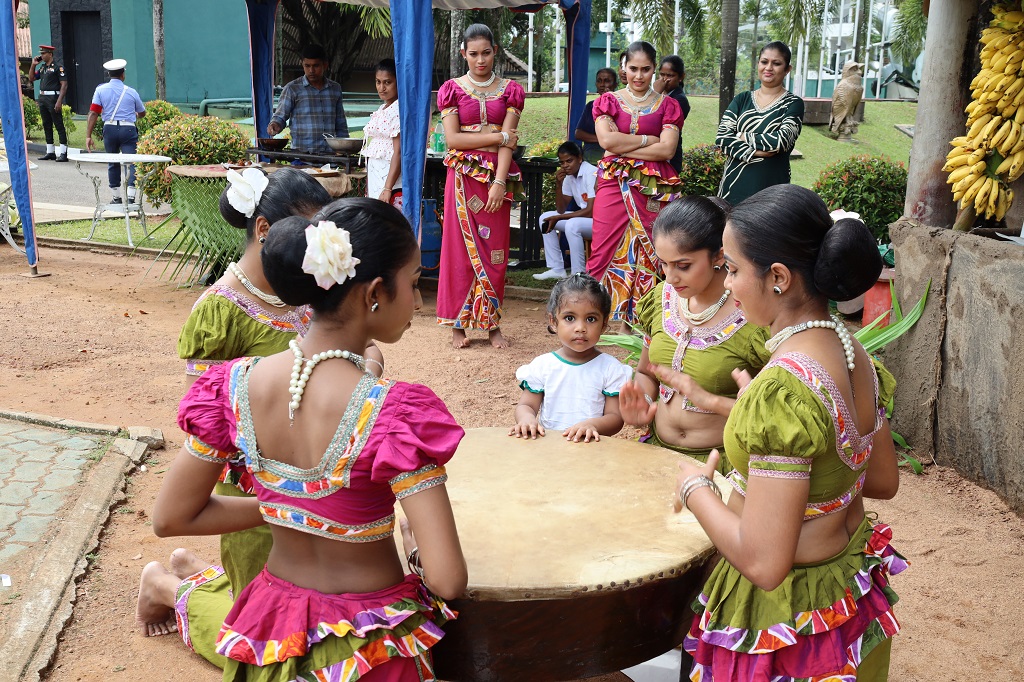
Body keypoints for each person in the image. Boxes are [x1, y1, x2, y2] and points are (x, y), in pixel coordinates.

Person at [135, 198, 468, 680]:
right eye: (414, 283)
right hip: (369, 644)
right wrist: (412, 542)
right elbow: (447, 580)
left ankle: (179, 585)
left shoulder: (232, 387)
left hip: (273, 629)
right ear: (374, 292)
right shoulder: (397, 413)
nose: (417, 302)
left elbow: (171, 516)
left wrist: (290, 505)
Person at [647, 184, 906, 680]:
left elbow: (765, 562)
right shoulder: (856, 357)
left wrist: (696, 488)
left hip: (788, 623)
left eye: (735, 270)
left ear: (780, 278)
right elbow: (880, 482)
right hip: (843, 592)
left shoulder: (781, 392)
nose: (728, 286)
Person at [177, 168, 385, 609]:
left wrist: (361, 377)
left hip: (327, 483)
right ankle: (168, 589)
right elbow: (211, 424)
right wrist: (283, 495)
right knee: (265, 635)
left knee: (329, 620)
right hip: (256, 495)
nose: (318, 247)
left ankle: (191, 576)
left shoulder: (310, 287)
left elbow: (365, 351)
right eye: (308, 231)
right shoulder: (219, 311)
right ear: (265, 229)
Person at [619, 196, 769, 472]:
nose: (670, 277)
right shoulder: (659, 301)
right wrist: (644, 401)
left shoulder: (753, 317)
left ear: (719, 255)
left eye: (683, 266)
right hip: (657, 454)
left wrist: (710, 400)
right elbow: (646, 372)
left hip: (722, 466)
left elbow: (769, 412)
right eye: (663, 264)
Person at [436, 23, 525, 350]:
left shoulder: (511, 90)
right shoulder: (452, 89)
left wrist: (500, 181)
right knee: (459, 251)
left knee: (496, 252)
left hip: (496, 179)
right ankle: (458, 323)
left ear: (495, 51)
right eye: (473, 54)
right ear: (464, 54)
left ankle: (491, 324)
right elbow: (454, 139)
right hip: (462, 179)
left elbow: (510, 143)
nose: (480, 60)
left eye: (486, 53)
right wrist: (499, 135)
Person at [587, 41, 683, 328]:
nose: (639, 76)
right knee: (604, 246)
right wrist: (647, 140)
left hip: (654, 187)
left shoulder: (669, 105)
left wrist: (621, 147)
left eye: (646, 69)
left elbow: (667, 151)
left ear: (655, 70)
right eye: (633, 69)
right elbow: (606, 141)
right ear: (623, 68)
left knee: (650, 250)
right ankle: (593, 317)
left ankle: (639, 322)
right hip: (613, 183)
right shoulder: (608, 101)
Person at [511, 273, 631, 443]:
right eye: (569, 318)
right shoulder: (543, 366)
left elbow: (615, 418)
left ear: (604, 324)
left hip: (592, 450)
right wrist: (526, 419)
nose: (580, 328)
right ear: (554, 321)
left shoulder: (610, 369)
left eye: (591, 319)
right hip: (549, 448)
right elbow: (526, 405)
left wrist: (593, 425)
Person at [716, 41, 804, 205]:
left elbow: (780, 141)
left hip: (771, 190)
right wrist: (756, 152)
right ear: (758, 64)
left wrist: (741, 135)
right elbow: (722, 138)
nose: (768, 68)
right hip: (733, 186)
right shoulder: (741, 99)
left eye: (776, 63)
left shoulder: (793, 104)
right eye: (764, 62)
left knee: (766, 229)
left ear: (787, 69)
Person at [84, 59, 147, 204]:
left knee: (112, 162)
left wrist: (88, 135)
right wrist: (135, 114)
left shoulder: (100, 90)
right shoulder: (131, 92)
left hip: (110, 128)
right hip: (128, 129)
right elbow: (142, 112)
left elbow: (93, 113)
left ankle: (116, 197)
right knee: (132, 162)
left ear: (108, 74)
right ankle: (131, 197)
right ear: (123, 75)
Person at [267, 44, 348, 155]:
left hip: (330, 155)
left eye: (316, 66)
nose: (311, 70)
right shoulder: (292, 89)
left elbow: (340, 124)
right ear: (302, 65)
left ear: (325, 65)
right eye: (307, 66)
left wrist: (344, 150)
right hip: (301, 155)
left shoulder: (335, 89)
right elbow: (280, 117)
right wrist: (274, 125)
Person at [533, 142, 597, 281]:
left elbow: (591, 211)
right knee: (545, 218)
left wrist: (559, 217)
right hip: (585, 220)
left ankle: (578, 274)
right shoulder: (569, 176)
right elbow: (561, 209)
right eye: (562, 163)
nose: (565, 165)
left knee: (571, 225)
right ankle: (557, 269)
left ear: (580, 158)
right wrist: (558, 184)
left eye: (569, 161)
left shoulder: (590, 173)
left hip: (599, 221)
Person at [360, 59, 402, 209]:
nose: (381, 88)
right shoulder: (383, 108)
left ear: (398, 83)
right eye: (378, 82)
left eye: (387, 82)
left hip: (390, 181)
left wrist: (388, 188)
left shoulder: (398, 110)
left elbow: (398, 152)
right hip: (378, 178)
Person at [30, 45, 68, 162]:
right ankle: (50, 151)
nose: (41, 55)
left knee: (58, 125)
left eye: (44, 53)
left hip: (53, 98)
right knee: (46, 124)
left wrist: (59, 100)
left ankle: (63, 152)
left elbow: (64, 85)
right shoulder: (42, 68)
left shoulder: (58, 67)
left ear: (50, 54)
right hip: (43, 98)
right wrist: (33, 65)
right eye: (41, 53)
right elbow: (31, 78)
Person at [653, 55, 692, 174]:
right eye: (662, 74)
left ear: (681, 77)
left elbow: (654, 121)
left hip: (669, 159)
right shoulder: (663, 95)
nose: (665, 79)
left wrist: (655, 94)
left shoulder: (679, 100)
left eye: (670, 75)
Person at [574, 68, 618, 165]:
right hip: (590, 161)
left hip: (614, 161)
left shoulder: (621, 106)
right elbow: (578, 133)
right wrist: (603, 138)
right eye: (599, 81)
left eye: (607, 81)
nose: (602, 85)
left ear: (615, 84)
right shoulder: (591, 106)